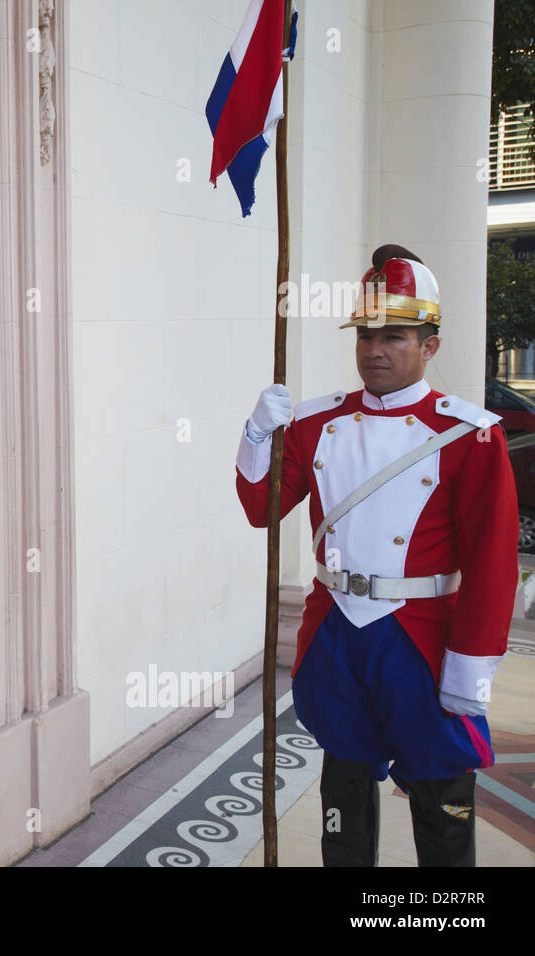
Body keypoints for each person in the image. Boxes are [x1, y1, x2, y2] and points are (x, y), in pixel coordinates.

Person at [235, 244, 517, 866]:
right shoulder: (315, 423)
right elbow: (262, 509)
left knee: (441, 798)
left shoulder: (470, 434)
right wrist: (257, 435)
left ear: (430, 344)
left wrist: (470, 668)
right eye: (366, 334)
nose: (374, 350)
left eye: (395, 335)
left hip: (421, 640)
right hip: (338, 632)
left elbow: (494, 564)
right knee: (343, 790)